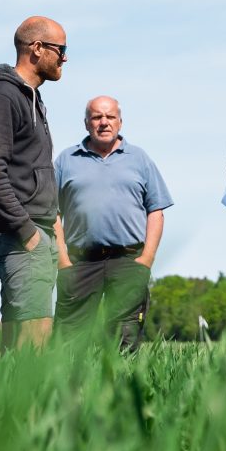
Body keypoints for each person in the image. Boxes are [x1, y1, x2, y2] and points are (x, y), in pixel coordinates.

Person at [0, 16, 67, 349]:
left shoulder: (31, 97)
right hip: (22, 234)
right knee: (33, 343)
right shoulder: (1, 96)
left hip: (37, 231)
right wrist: (27, 233)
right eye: (61, 49)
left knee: (21, 343)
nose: (65, 57)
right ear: (37, 48)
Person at [54, 95, 172, 351]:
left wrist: (147, 259)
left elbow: (156, 210)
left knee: (125, 337)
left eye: (110, 117)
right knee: (69, 338)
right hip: (79, 261)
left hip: (128, 260)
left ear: (120, 122)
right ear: (86, 123)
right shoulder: (66, 160)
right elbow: (52, 214)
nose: (104, 122)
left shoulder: (139, 159)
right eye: (97, 117)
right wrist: (62, 260)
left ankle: (120, 378)